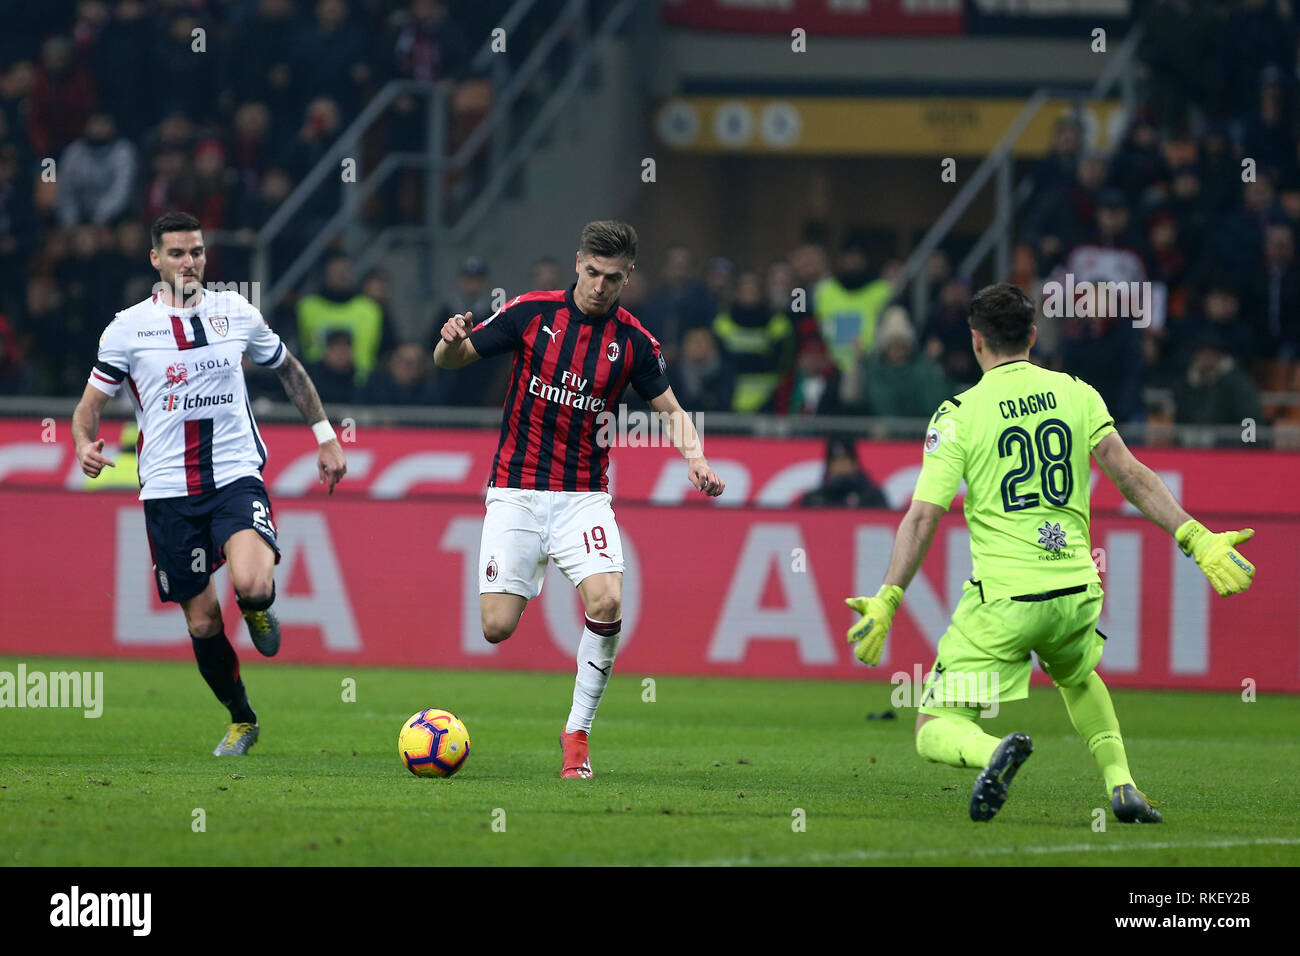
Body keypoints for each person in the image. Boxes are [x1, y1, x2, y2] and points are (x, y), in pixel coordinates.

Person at [843, 283, 1255, 824]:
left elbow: (923, 516)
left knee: (933, 725)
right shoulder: (1076, 392)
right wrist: (1195, 536)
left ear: (975, 342)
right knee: (1079, 676)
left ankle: (995, 753)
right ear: (1033, 336)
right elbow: (1130, 476)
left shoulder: (959, 413)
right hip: (1076, 589)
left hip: (1005, 602)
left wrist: (888, 595)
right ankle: (1122, 784)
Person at [433, 220, 725, 778]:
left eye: (612, 278)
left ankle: (577, 737)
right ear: (577, 263)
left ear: (627, 276)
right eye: (592, 273)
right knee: (496, 626)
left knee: (608, 601)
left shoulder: (635, 343)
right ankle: (528, 573)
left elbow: (672, 411)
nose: (599, 286)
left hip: (583, 496)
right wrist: (447, 342)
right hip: (516, 491)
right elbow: (454, 359)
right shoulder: (530, 313)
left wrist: (695, 457)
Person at [71, 212, 347, 757]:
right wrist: (83, 443)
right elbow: (88, 409)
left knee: (252, 584)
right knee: (201, 620)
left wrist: (325, 435)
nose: (190, 261)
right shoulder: (126, 329)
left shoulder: (235, 311)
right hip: (169, 491)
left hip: (235, 476)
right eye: (176, 253)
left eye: (196, 251)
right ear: (155, 260)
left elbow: (288, 369)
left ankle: (259, 603)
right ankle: (242, 719)